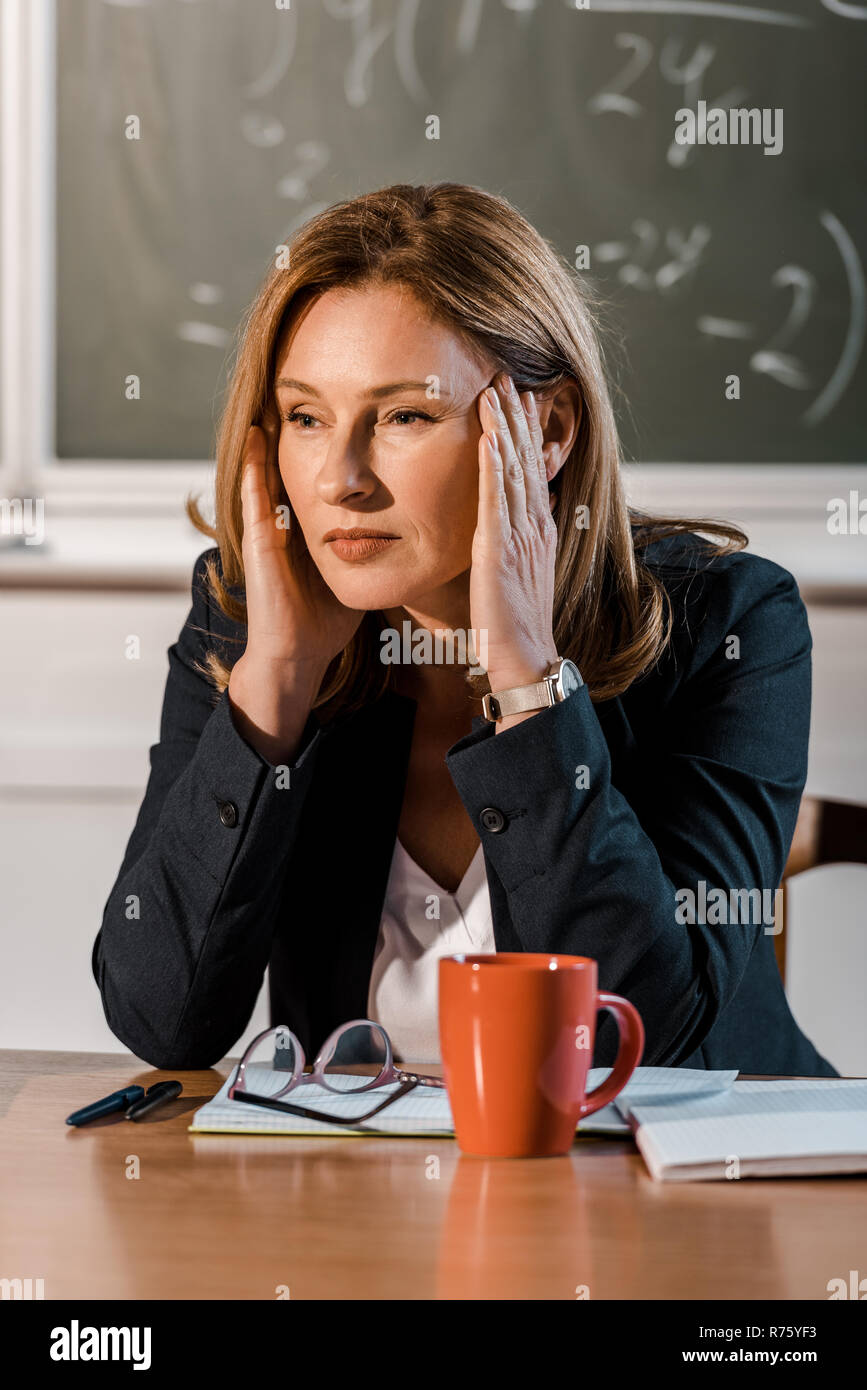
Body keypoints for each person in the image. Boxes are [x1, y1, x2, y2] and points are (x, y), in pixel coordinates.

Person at [91, 182, 839, 1077]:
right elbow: (159, 1020)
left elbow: (644, 1039)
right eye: (305, 418)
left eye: (404, 415)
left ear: (549, 427)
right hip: (355, 1207)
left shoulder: (728, 624)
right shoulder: (249, 624)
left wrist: (528, 682)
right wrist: (275, 685)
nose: (340, 479)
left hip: (686, 1199)